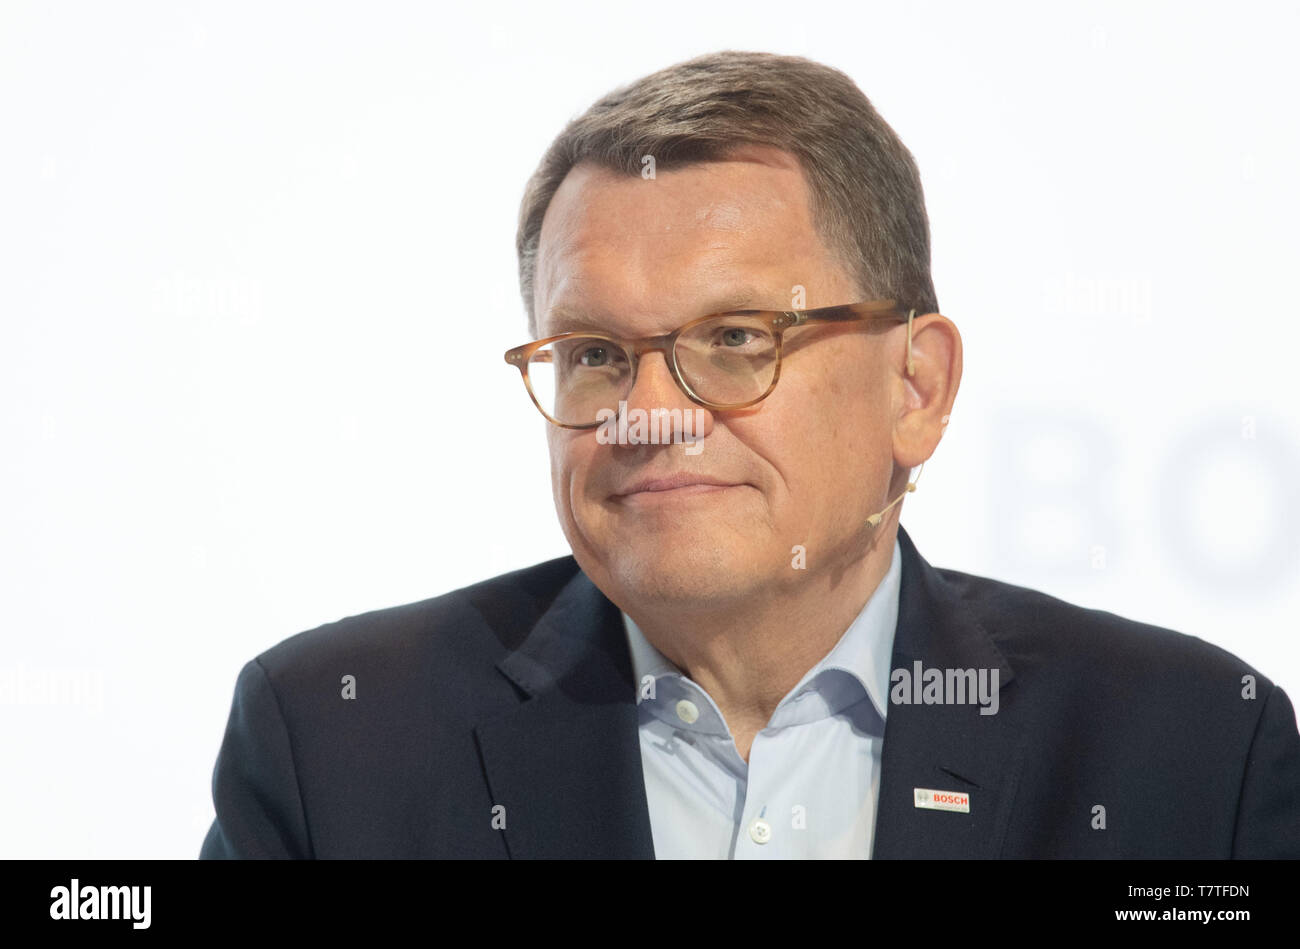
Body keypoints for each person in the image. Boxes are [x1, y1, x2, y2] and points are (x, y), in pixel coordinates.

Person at [200, 50, 1300, 859]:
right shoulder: (337, 740)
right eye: (594, 354)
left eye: (734, 339)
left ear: (915, 388)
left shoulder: (1189, 748)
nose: (647, 414)